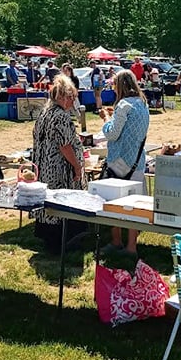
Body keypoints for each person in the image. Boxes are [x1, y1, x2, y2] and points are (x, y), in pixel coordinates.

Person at [99, 70, 150, 258]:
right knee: (134, 205)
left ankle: (116, 240)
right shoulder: (142, 104)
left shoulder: (123, 105)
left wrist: (106, 118)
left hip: (120, 161)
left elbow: (112, 134)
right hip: (137, 159)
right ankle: (131, 246)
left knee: (115, 203)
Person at [32, 74, 86, 252]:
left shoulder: (45, 112)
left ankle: (49, 239)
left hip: (43, 165)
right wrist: (77, 166)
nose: (73, 102)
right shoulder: (61, 116)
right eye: (72, 97)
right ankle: (61, 242)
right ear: (63, 97)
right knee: (60, 202)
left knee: (48, 202)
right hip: (58, 169)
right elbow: (65, 146)